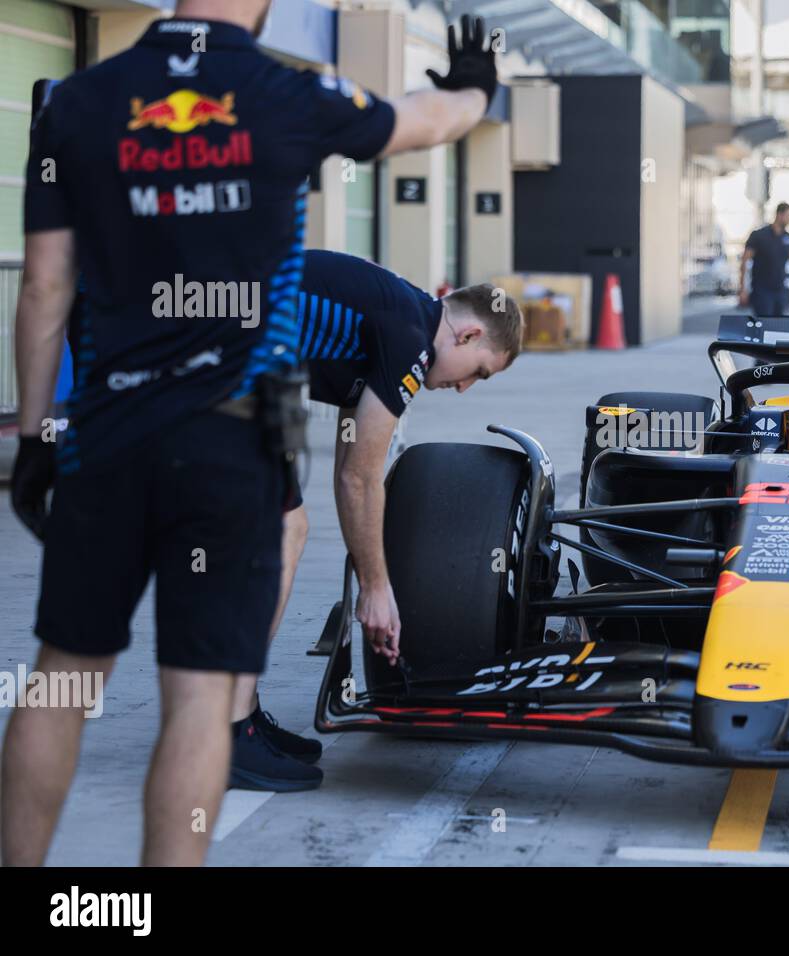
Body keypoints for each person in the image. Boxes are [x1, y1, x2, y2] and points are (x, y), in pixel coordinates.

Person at [3, 1, 499, 866]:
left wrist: (42, 430)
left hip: (109, 427)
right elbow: (425, 123)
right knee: (198, 700)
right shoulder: (286, 93)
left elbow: (45, 288)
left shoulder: (77, 103)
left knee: (64, 676)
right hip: (229, 444)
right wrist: (474, 91)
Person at [230, 251, 522, 791]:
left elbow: (351, 465)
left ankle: (238, 715)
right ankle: (225, 732)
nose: (463, 389)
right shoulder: (411, 337)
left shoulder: (395, 318)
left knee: (282, 531)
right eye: (478, 372)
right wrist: (377, 589)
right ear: (467, 333)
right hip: (215, 355)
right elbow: (358, 481)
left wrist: (372, 579)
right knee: (279, 533)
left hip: (231, 357)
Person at [739, 202, 789, 316]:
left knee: (778, 325)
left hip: (780, 289)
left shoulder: (788, 238)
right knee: (763, 323)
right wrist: (743, 289)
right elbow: (744, 262)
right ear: (779, 214)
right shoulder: (759, 235)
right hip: (761, 290)